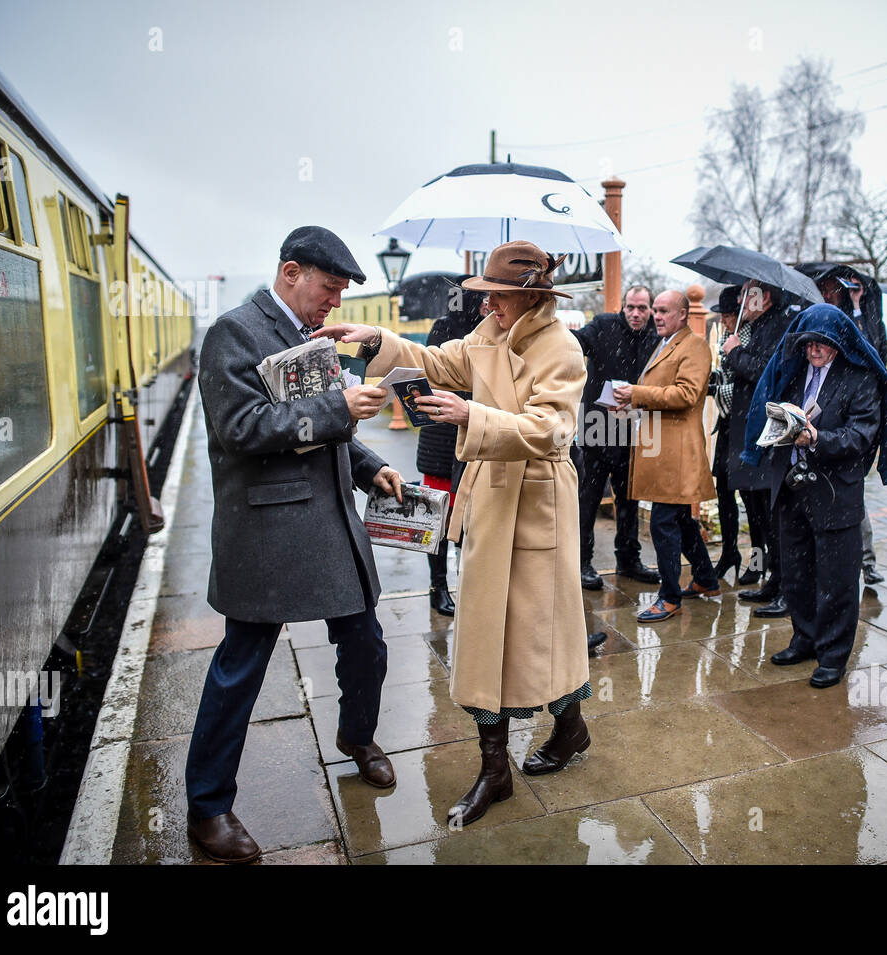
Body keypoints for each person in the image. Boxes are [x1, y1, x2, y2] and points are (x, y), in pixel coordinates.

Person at [318, 241, 591, 827]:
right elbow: (438, 363)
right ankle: (497, 769)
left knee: (541, 631)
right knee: (483, 634)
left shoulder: (562, 348)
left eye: (495, 294)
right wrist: (374, 340)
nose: (486, 302)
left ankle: (570, 726)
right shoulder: (489, 336)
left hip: (538, 499)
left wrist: (474, 417)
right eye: (485, 294)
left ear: (528, 296)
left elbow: (552, 431)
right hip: (493, 495)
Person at [186, 226, 404, 863]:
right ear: (291, 273)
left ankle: (358, 737)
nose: (334, 302)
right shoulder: (234, 332)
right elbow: (241, 428)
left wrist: (367, 466)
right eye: (329, 288)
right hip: (267, 530)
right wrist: (342, 408)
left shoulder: (304, 340)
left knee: (366, 641)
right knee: (240, 668)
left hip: (329, 523)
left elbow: (322, 425)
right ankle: (208, 806)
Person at [741, 304, 887, 688]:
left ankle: (832, 655)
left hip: (833, 492)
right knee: (796, 573)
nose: (814, 350)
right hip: (792, 487)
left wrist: (817, 438)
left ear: (839, 343)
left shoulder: (860, 379)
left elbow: (861, 436)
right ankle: (805, 639)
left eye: (823, 344)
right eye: (809, 342)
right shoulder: (793, 373)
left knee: (836, 580)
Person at [612, 290, 719, 622]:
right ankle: (705, 578)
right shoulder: (666, 343)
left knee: (662, 523)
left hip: (677, 453)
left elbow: (687, 393)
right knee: (682, 522)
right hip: (662, 449)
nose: (656, 316)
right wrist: (632, 399)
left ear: (683, 315)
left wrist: (638, 394)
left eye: (663, 311)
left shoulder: (696, 346)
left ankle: (669, 597)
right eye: (655, 311)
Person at [801, 262, 887, 585]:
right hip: (815, 418)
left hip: (852, 416)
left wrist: (854, 305)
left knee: (850, 489)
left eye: (833, 289)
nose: (829, 294)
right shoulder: (812, 323)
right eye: (824, 288)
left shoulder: (859, 318)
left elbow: (874, 351)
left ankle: (864, 560)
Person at [571, 286, 661, 589]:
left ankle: (628, 559)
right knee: (588, 500)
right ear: (622, 307)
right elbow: (573, 344)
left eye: (643, 308)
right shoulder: (602, 326)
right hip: (597, 429)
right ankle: (581, 562)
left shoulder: (656, 338)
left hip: (632, 430)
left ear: (650, 310)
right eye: (631, 307)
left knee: (629, 500)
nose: (636, 313)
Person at [415, 284, 487, 616]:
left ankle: (470, 587)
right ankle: (438, 588)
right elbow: (437, 378)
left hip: (476, 437)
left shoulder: (491, 330)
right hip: (443, 441)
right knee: (441, 522)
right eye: (481, 297)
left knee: (472, 521)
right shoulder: (445, 328)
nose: (488, 303)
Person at [725, 281, 795, 618]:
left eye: (746, 294)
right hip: (747, 433)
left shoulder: (779, 326)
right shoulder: (757, 326)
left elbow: (763, 371)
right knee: (756, 516)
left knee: (774, 517)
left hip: (766, 437)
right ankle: (768, 577)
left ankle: (783, 586)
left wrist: (735, 351)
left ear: (764, 297)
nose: (740, 300)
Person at [706, 286, 749, 582]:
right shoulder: (727, 338)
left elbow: (746, 383)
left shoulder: (749, 340)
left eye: (729, 314)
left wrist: (716, 390)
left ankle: (758, 560)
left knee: (750, 498)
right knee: (723, 492)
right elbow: (725, 373)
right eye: (722, 315)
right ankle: (729, 552)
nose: (724, 320)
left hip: (745, 426)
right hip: (726, 425)